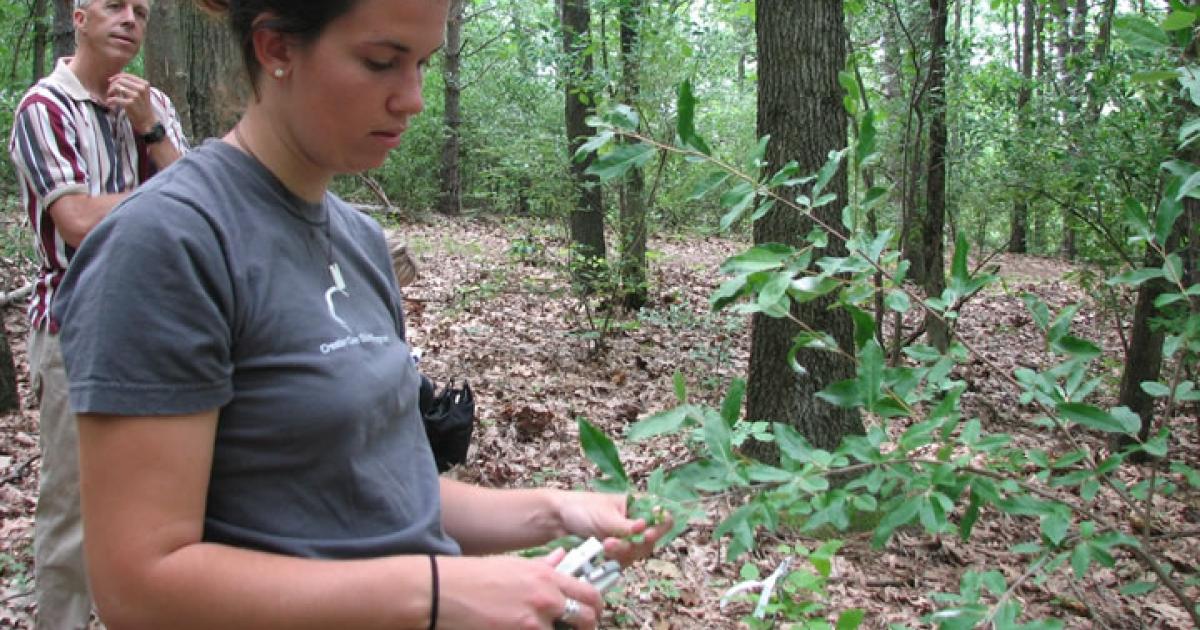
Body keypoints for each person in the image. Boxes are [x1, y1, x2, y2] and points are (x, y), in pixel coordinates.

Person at [53, 0, 671, 628]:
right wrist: (436, 593)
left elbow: (383, 490)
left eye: (422, 64)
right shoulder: (168, 243)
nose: (414, 99)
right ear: (276, 48)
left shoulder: (360, 241)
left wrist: (555, 511)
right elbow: (139, 587)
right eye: (381, 62)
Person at [6, 0, 187, 626]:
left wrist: (150, 128)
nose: (130, 19)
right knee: (72, 505)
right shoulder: (45, 108)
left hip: (155, 325)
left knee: (160, 501)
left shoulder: (151, 105)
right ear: (80, 17)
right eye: (115, 5)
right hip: (75, 324)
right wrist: (168, 198)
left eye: (142, 11)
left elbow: (202, 203)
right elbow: (79, 222)